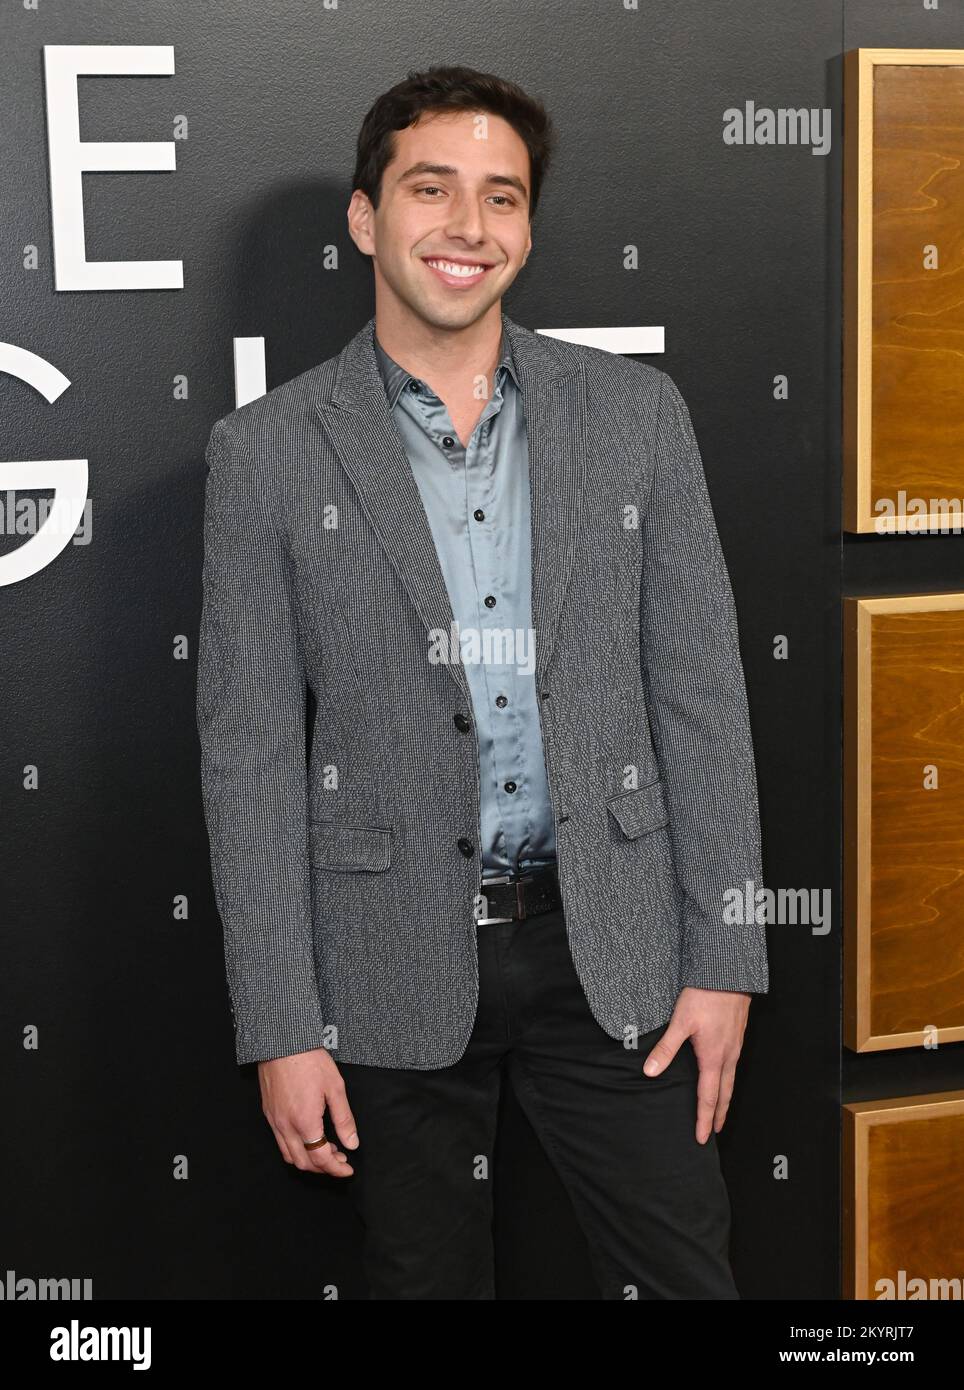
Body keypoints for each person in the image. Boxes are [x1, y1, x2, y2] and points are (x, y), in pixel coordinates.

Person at [196, 64, 769, 1300]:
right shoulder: (263, 454)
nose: (468, 226)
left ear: (527, 226)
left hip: (612, 948)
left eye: (500, 197)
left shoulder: (636, 415)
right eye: (431, 188)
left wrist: (726, 956)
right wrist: (281, 1027)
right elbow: (246, 757)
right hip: (384, 960)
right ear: (365, 218)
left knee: (685, 1276)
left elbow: (703, 700)